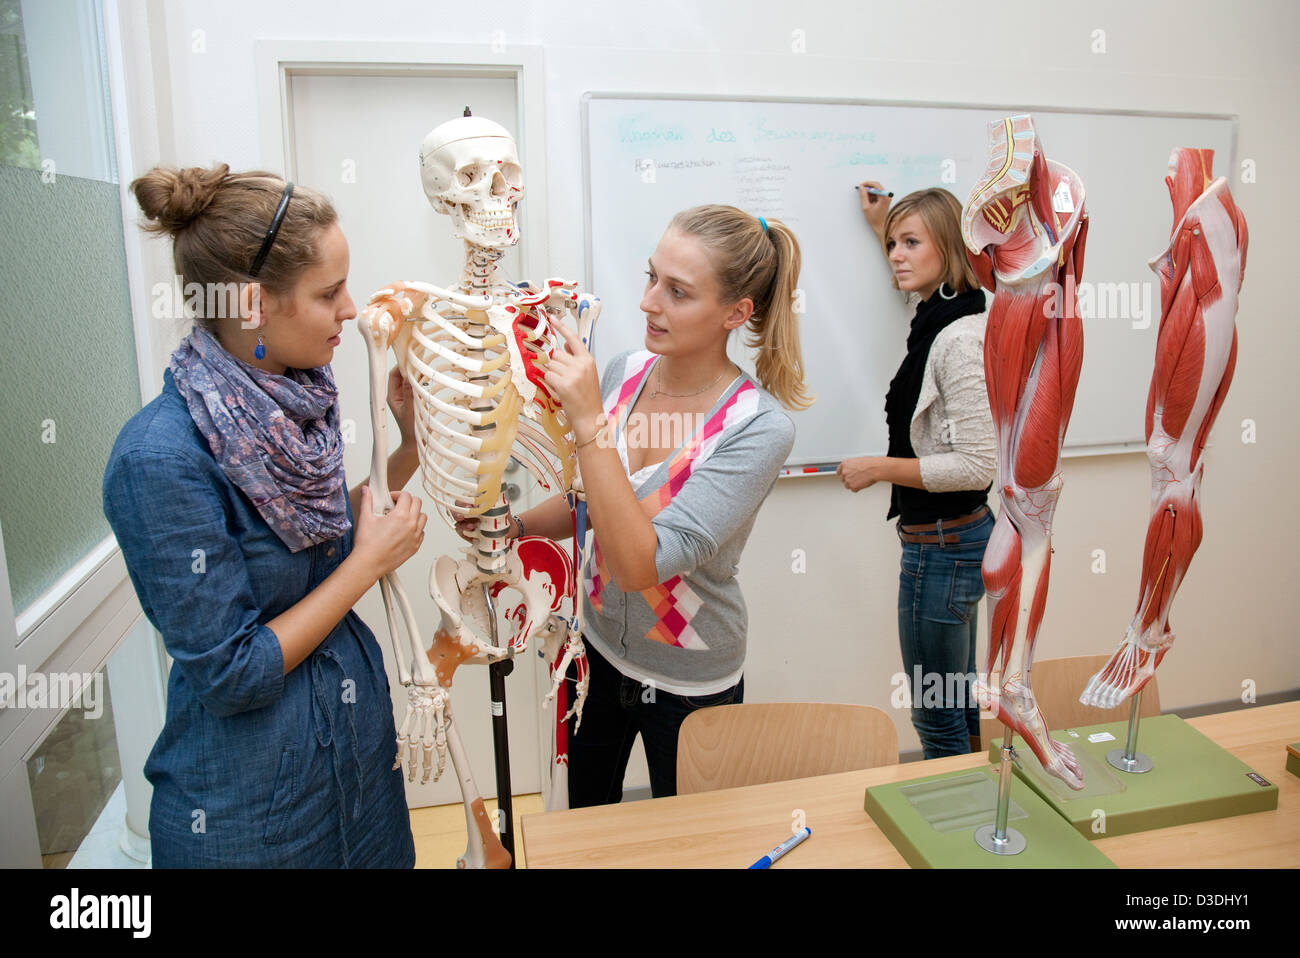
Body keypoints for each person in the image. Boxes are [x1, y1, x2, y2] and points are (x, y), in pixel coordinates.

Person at [103, 164, 425, 867]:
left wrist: (407, 449)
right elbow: (231, 672)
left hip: (360, 775)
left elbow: (320, 546)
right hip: (257, 816)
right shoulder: (159, 460)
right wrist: (371, 563)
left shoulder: (296, 405)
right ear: (252, 305)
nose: (351, 311)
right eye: (329, 292)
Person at [463, 205, 809, 805]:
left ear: (736, 313)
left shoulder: (757, 427)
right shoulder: (625, 374)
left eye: (677, 292)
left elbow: (639, 563)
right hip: (595, 652)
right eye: (651, 278)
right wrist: (514, 526)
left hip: (690, 680)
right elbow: (592, 503)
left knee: (694, 843)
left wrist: (590, 424)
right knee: (588, 820)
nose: (649, 302)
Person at [838, 183, 996, 759]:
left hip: (944, 548)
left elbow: (977, 465)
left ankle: (958, 832)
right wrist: (883, 225)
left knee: (937, 718)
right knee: (958, 701)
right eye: (892, 244)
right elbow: (913, 292)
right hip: (951, 542)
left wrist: (879, 468)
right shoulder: (942, 312)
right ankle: (977, 803)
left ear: (948, 247)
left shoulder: (958, 339)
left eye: (911, 243)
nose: (896, 255)